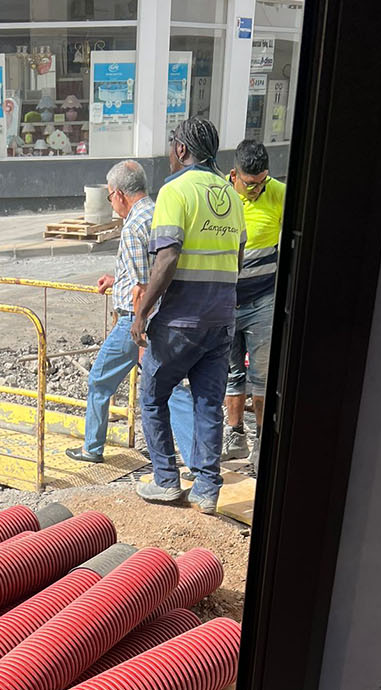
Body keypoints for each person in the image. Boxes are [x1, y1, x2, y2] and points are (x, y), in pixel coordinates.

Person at [131, 118, 246, 511]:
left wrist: (142, 312)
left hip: (181, 320)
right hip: (221, 319)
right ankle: (207, 489)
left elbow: (167, 258)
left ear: (181, 149)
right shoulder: (231, 195)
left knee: (152, 396)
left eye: (171, 145)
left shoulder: (175, 190)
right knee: (208, 403)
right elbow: (237, 258)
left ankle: (166, 481)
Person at [66, 161, 194, 467]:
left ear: (120, 194)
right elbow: (154, 270)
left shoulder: (134, 226)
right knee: (172, 388)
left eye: (110, 197)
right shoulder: (159, 213)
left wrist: (140, 332)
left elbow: (142, 286)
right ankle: (196, 460)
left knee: (100, 380)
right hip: (164, 315)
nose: (112, 205)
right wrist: (117, 280)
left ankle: (92, 448)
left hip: (135, 321)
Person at [222, 139, 286, 466]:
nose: (257, 190)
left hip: (263, 300)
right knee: (232, 373)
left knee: (261, 375)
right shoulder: (221, 198)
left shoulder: (279, 194)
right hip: (227, 302)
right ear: (234, 175)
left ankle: (262, 442)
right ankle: (236, 436)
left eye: (262, 182)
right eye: (250, 184)